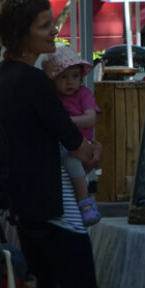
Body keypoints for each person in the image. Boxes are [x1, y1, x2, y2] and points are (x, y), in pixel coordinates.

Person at [0, 0, 107, 288]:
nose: (53, 32)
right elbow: (74, 143)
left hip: (28, 205)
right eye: (45, 26)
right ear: (22, 34)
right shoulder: (34, 81)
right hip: (56, 203)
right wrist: (90, 149)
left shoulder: (3, 76)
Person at [42, 45, 101, 227]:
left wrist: (66, 122)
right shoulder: (52, 97)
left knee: (72, 161)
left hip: (80, 142)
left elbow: (90, 119)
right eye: (64, 77)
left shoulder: (84, 94)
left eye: (75, 76)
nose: (70, 82)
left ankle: (85, 201)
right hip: (61, 145)